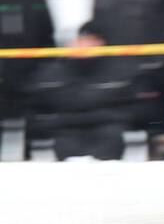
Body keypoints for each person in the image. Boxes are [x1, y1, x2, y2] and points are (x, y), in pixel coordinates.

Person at [91, 0, 164, 135]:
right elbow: (98, 31)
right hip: (117, 71)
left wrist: (161, 61)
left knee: (155, 126)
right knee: (119, 125)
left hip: (150, 70)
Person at [31, 22, 136, 160]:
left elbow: (134, 111)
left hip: (106, 132)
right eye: (80, 40)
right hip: (65, 132)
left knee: (110, 139)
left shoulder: (119, 71)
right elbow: (34, 112)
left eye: (91, 40)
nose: (84, 45)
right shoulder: (50, 74)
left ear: (102, 43)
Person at [0, 0, 56, 122]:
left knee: (34, 116)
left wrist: (49, 61)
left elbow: (46, 26)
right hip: (6, 67)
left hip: (34, 64)